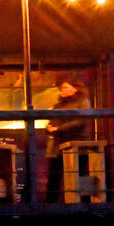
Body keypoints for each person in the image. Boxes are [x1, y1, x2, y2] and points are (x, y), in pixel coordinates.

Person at [45, 73, 93, 202]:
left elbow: (81, 121)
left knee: (80, 174)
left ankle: (84, 202)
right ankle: (51, 203)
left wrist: (59, 129)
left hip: (78, 145)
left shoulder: (83, 102)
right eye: (62, 88)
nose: (62, 90)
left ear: (76, 88)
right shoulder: (58, 105)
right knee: (55, 176)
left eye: (66, 87)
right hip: (58, 146)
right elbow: (52, 121)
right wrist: (49, 127)